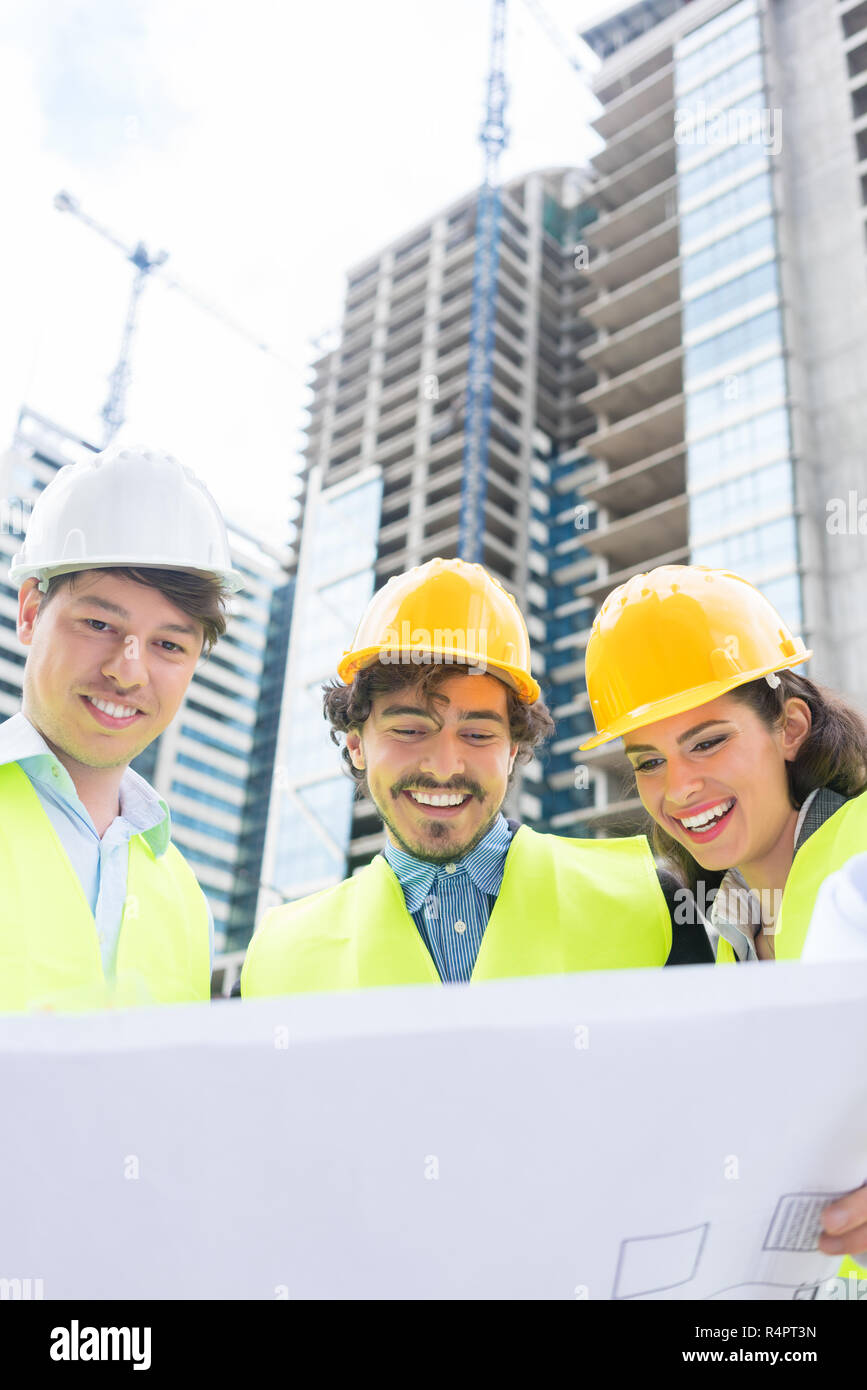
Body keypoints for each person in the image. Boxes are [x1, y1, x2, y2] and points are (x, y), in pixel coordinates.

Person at [241, 557, 711, 1002]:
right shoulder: (277, 957)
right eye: (409, 730)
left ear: (511, 750)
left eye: (477, 733)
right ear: (357, 744)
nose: (445, 767)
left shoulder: (652, 901)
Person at [578, 562, 867, 1276]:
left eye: (707, 742)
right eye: (648, 761)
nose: (678, 788)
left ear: (789, 727)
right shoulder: (725, 931)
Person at [0, 444, 244, 1011]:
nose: (127, 670)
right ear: (32, 612)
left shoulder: (184, 899)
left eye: (168, 644)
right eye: (99, 623)